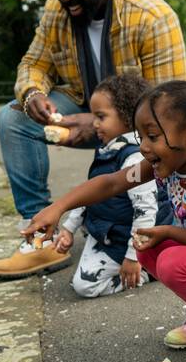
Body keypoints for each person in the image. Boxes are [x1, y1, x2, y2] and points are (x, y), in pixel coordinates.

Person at [23, 79, 186, 362]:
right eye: (140, 137)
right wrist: (57, 208)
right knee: (146, 249)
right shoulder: (166, 164)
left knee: (172, 262)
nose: (144, 147)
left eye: (153, 136)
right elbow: (112, 183)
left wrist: (169, 231)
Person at [0, 0, 186, 280]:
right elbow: (33, 64)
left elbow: (171, 106)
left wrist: (109, 122)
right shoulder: (55, 10)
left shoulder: (151, 16)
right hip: (82, 111)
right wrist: (33, 94)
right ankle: (38, 235)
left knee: (160, 150)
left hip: (142, 126)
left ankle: (168, 224)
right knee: (12, 119)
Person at [46, 72, 158, 298]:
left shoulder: (134, 159)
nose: (94, 123)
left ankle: (148, 271)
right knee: (84, 276)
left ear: (128, 117)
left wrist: (132, 257)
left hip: (128, 237)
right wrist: (69, 228)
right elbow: (91, 192)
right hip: (107, 230)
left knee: (85, 286)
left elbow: (146, 212)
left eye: (101, 116)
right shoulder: (108, 148)